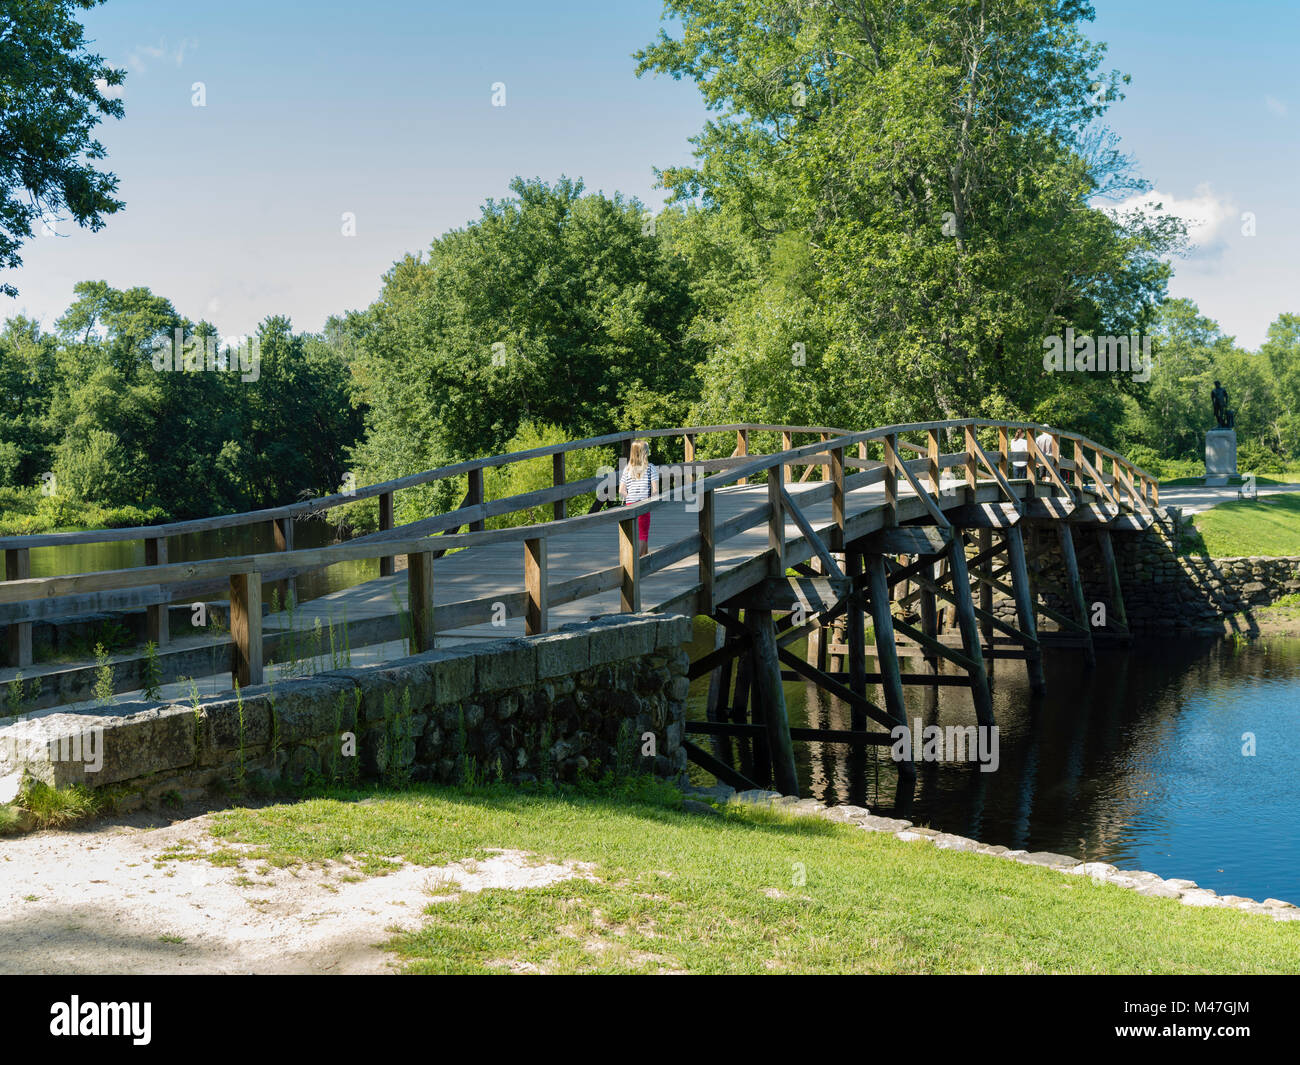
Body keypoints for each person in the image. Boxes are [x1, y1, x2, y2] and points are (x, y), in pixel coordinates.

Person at [618, 439, 658, 557]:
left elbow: (621, 491)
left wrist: (630, 498)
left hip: (630, 504)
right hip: (644, 504)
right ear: (644, 453)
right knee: (643, 534)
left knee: (634, 534)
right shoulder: (650, 468)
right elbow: (655, 490)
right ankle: (637, 562)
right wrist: (651, 501)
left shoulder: (627, 469)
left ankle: (644, 559)